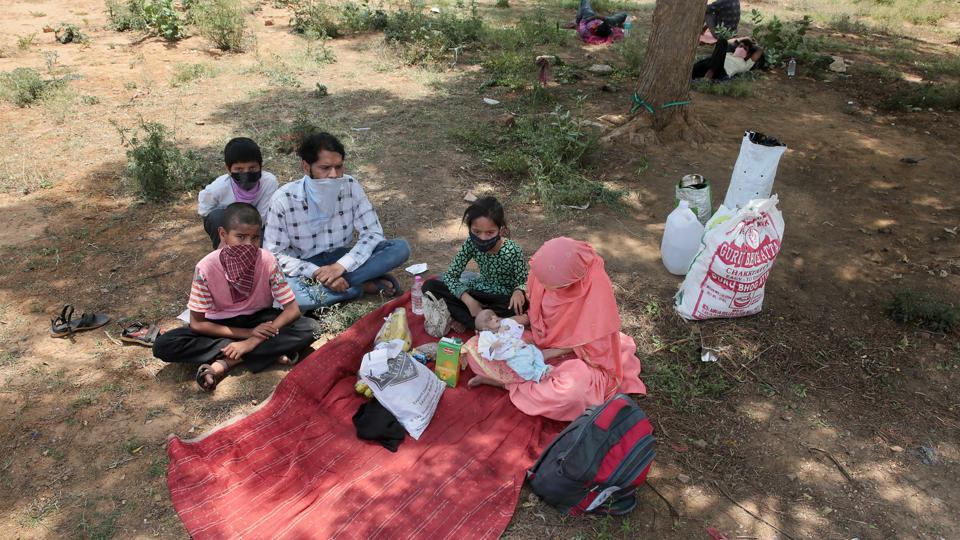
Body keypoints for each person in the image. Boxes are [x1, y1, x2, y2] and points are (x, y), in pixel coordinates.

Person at [469, 237, 646, 422]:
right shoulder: (542, 272)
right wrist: (511, 323)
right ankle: (523, 379)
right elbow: (536, 314)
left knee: (571, 395)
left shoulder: (595, 296)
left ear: (573, 282)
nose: (545, 289)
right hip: (540, 341)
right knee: (476, 347)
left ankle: (506, 384)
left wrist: (544, 354)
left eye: (556, 288)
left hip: (579, 358)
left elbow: (592, 347)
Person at [153, 203, 319, 391]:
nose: (248, 245)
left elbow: (292, 310)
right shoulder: (206, 267)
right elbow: (198, 323)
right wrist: (247, 335)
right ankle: (268, 352)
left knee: (311, 327)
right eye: (240, 237)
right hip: (220, 326)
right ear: (223, 235)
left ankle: (225, 363)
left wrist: (252, 342)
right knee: (164, 344)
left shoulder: (267, 259)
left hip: (259, 319)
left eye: (255, 238)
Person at [263, 132, 410, 312]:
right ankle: (360, 286)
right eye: (325, 168)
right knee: (281, 294)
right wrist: (316, 273)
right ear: (306, 166)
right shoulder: (283, 199)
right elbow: (274, 255)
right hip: (307, 266)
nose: (334, 175)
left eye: (338, 167)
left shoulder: (350, 185)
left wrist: (340, 266)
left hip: (342, 259)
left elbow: (373, 233)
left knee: (400, 248)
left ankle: (344, 285)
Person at [421, 196, 528, 333]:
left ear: (501, 230)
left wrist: (519, 291)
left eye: (490, 232)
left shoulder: (513, 250)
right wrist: (468, 300)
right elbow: (451, 276)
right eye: (476, 232)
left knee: (520, 305)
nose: (482, 238)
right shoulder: (470, 244)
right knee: (430, 286)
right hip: (477, 292)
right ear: (470, 228)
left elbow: (523, 280)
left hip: (501, 299)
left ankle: (472, 322)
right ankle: (487, 324)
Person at [198, 138, 279, 249]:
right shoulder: (219, 187)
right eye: (239, 169)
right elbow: (205, 209)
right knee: (215, 216)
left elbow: (263, 217)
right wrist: (226, 235)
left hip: (256, 225)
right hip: (229, 225)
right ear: (228, 169)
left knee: (260, 250)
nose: (246, 173)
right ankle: (223, 254)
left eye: (252, 168)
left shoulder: (269, 183)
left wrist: (248, 239)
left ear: (260, 166)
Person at [473, 309, 550, 383]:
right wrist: (492, 346)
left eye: (494, 315)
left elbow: (517, 328)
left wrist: (507, 328)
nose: (494, 317)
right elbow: (484, 351)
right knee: (522, 366)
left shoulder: (504, 323)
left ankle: (542, 368)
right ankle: (536, 375)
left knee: (536, 353)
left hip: (521, 347)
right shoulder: (485, 336)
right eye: (490, 319)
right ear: (485, 328)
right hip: (512, 356)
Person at [692, 36, 763, 81]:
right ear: (736, 47)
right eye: (740, 46)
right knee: (721, 41)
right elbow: (729, 41)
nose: (741, 49)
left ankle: (710, 73)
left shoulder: (746, 63)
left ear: (748, 55)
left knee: (722, 42)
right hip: (709, 64)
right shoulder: (729, 53)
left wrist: (754, 44)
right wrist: (745, 38)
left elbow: (759, 50)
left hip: (721, 71)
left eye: (745, 49)